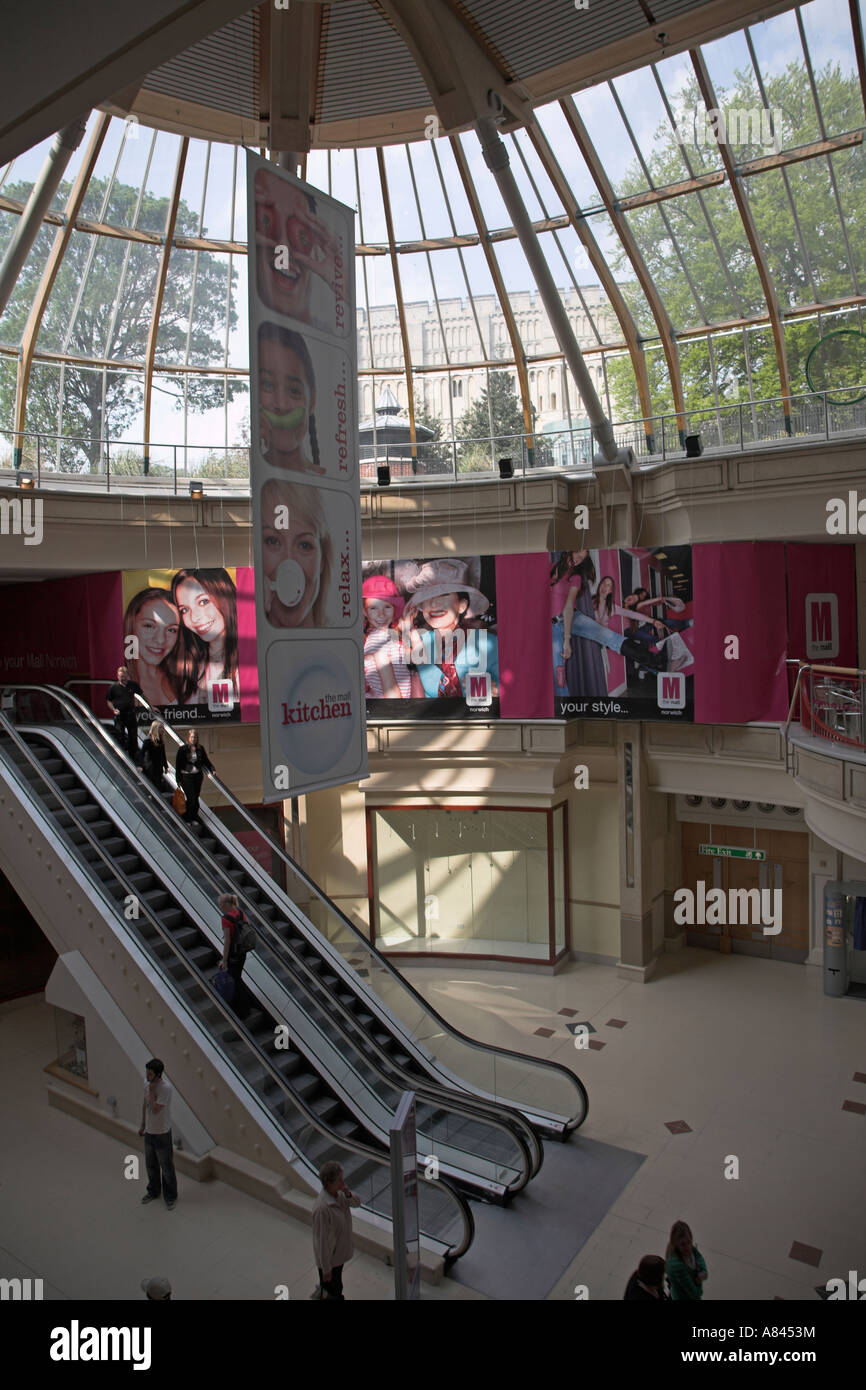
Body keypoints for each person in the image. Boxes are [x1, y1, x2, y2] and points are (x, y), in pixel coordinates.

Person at [254, 168, 343, 330]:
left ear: (316, 250)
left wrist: (343, 281)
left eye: (301, 235)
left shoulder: (332, 335)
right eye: (266, 222)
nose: (284, 249)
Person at [401, 558, 499, 699]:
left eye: (444, 595)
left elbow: (514, 689)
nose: (434, 603)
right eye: (428, 597)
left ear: (462, 605)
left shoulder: (487, 644)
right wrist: (408, 630)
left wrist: (496, 691)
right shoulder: (417, 640)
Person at [260, 479, 334, 628]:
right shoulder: (247, 641)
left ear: (322, 562)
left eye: (304, 545)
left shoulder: (342, 638)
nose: (289, 563)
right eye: (273, 541)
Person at [258, 323, 325, 475]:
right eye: (267, 385)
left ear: (312, 400)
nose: (281, 405)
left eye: (294, 390)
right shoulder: (257, 474)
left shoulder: (327, 482)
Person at [169, 568, 239, 705]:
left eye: (203, 602)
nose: (194, 618)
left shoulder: (252, 659)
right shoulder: (190, 666)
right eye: (184, 610)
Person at [363, 574, 422, 698]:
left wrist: (409, 629)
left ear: (395, 608)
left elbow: (416, 659)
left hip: (401, 703)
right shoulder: (376, 640)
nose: (381, 614)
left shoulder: (390, 636)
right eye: (373, 608)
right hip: (392, 705)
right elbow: (390, 689)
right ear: (364, 611)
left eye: (387, 607)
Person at [311, 1160, 361, 1300]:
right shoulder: (322, 1209)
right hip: (330, 1261)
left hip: (337, 1257)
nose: (342, 1182)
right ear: (329, 1183)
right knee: (333, 1291)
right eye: (339, 1180)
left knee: (336, 1286)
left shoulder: (340, 1195)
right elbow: (321, 1241)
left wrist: (348, 1193)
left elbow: (357, 1203)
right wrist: (326, 1269)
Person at [122, 589, 182, 706]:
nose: (160, 639)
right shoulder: (119, 681)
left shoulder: (182, 681)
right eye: (149, 626)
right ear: (131, 624)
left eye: (171, 630)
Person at [138, 1058, 177, 1210]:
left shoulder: (166, 1089)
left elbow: (155, 1108)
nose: (147, 1076)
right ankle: (153, 1191)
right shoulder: (146, 1083)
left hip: (162, 1132)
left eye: (150, 1073)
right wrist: (142, 1124)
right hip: (149, 1131)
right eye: (146, 1072)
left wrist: (153, 1091)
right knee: (150, 1164)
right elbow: (145, 1105)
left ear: (158, 1074)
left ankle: (170, 1196)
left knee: (166, 1167)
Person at [218, 892, 252, 1019]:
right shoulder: (240, 912)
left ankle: (242, 1010)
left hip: (233, 953)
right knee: (238, 977)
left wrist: (224, 960)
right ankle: (244, 1008)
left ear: (226, 904)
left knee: (236, 979)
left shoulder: (226, 918)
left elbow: (227, 941)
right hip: (242, 951)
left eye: (221, 905)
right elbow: (248, 927)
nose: (220, 908)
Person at [174, 728, 214, 822]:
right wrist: (178, 779)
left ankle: (193, 817)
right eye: (192, 737)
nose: (193, 739)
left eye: (195, 737)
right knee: (191, 798)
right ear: (189, 738)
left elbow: (205, 761)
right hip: (186, 777)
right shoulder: (182, 749)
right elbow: (178, 765)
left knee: (195, 798)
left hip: (197, 776)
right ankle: (187, 818)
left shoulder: (200, 749)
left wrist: (212, 768)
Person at [107, 665, 143, 760]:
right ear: (117, 676)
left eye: (123, 676)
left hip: (130, 715)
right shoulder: (113, 687)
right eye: (120, 676)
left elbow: (142, 696)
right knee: (120, 736)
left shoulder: (133, 685)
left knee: (133, 737)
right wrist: (113, 709)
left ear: (127, 675)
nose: (122, 678)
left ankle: (133, 757)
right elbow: (109, 701)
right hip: (119, 716)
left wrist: (151, 706)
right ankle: (121, 757)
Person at [666, 1220, 708, 1300]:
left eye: (689, 1242)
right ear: (676, 1244)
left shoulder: (690, 1249)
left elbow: (698, 1257)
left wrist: (703, 1271)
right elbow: (694, 1293)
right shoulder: (676, 1265)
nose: (687, 1247)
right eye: (682, 1244)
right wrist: (699, 1283)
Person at [139, 721, 168, 792]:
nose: (162, 729)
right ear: (155, 728)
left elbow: (163, 754)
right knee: (153, 786)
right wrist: (140, 765)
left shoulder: (160, 741)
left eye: (163, 728)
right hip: (150, 767)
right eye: (160, 728)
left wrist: (166, 766)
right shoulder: (148, 741)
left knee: (158, 785)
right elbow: (142, 753)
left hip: (159, 766)